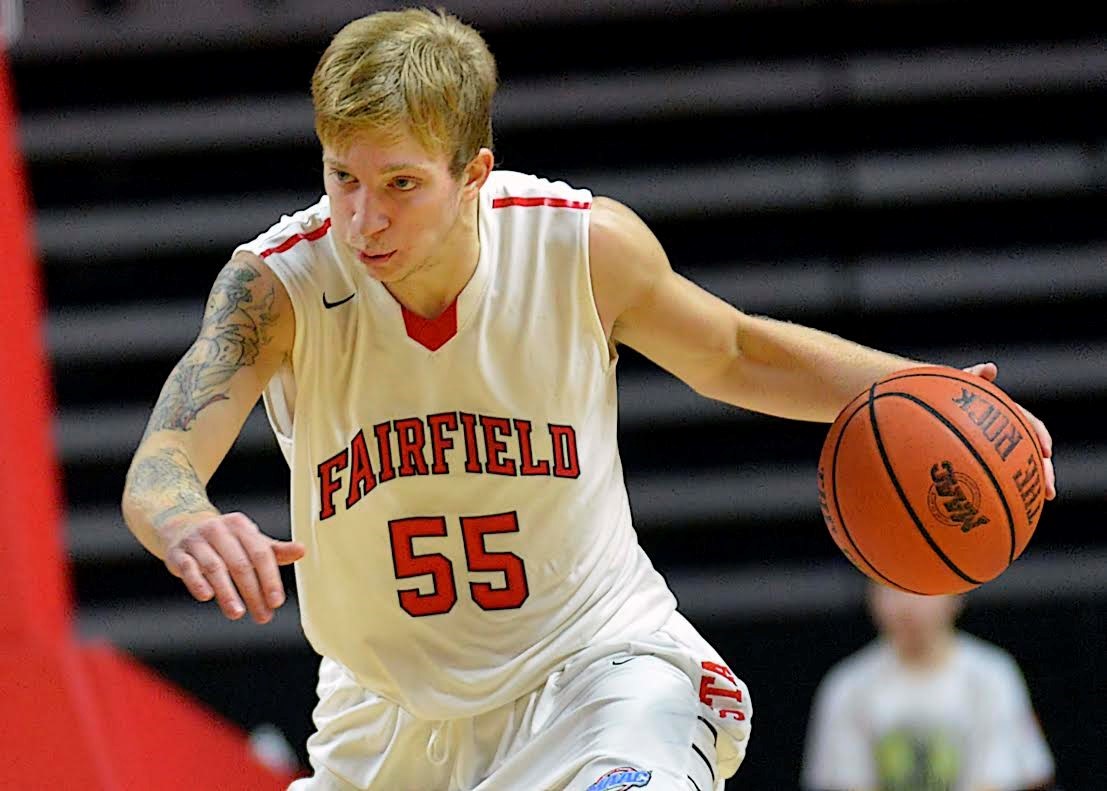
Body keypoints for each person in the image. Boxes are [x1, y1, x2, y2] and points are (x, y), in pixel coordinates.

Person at [120, 7, 1056, 790]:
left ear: (473, 174)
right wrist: (188, 519)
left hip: (596, 672)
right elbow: (162, 461)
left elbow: (733, 351)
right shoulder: (277, 286)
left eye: (400, 184)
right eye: (343, 178)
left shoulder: (578, 248)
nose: (363, 216)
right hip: (385, 720)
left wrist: (920, 389)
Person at [801, 583, 1056, 791]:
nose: (907, 606)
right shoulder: (847, 687)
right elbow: (848, 783)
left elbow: (998, 780)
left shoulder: (992, 677)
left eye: (920, 590)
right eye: (891, 588)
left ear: (958, 594)